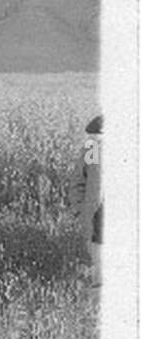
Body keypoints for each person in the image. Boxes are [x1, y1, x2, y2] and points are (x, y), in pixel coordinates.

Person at [74, 114, 103, 287]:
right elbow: (78, 181)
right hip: (97, 209)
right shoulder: (92, 150)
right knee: (97, 250)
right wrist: (79, 209)